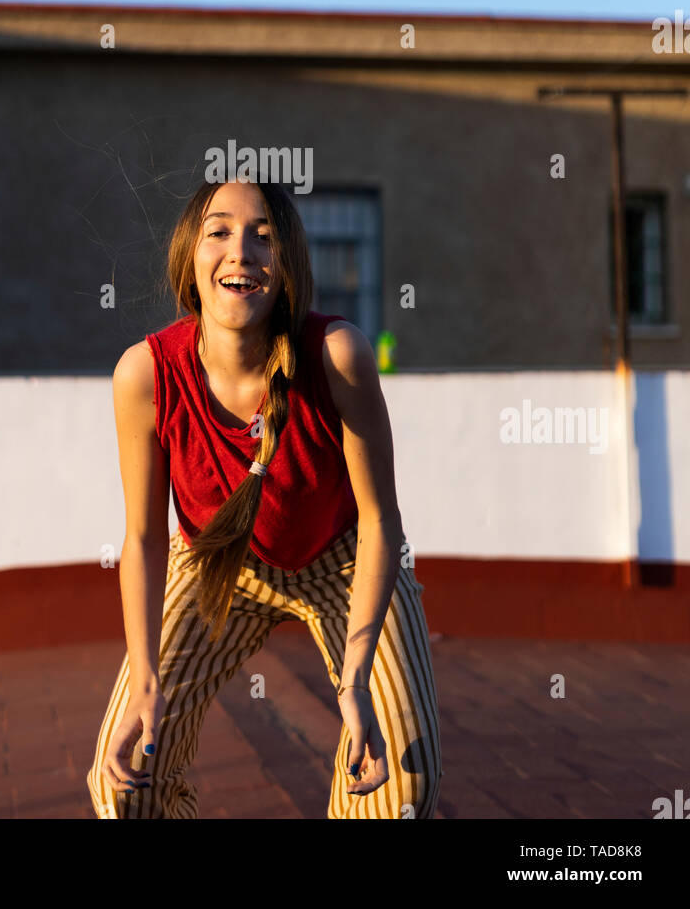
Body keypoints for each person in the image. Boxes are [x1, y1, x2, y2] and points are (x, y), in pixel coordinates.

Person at [86, 176, 442, 819]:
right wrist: (145, 678)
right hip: (215, 561)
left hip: (342, 560)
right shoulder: (145, 373)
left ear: (288, 266)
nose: (241, 251)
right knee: (122, 780)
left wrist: (357, 678)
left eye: (264, 236)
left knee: (399, 782)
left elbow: (381, 521)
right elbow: (141, 538)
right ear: (189, 258)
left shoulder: (338, 355)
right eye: (218, 231)